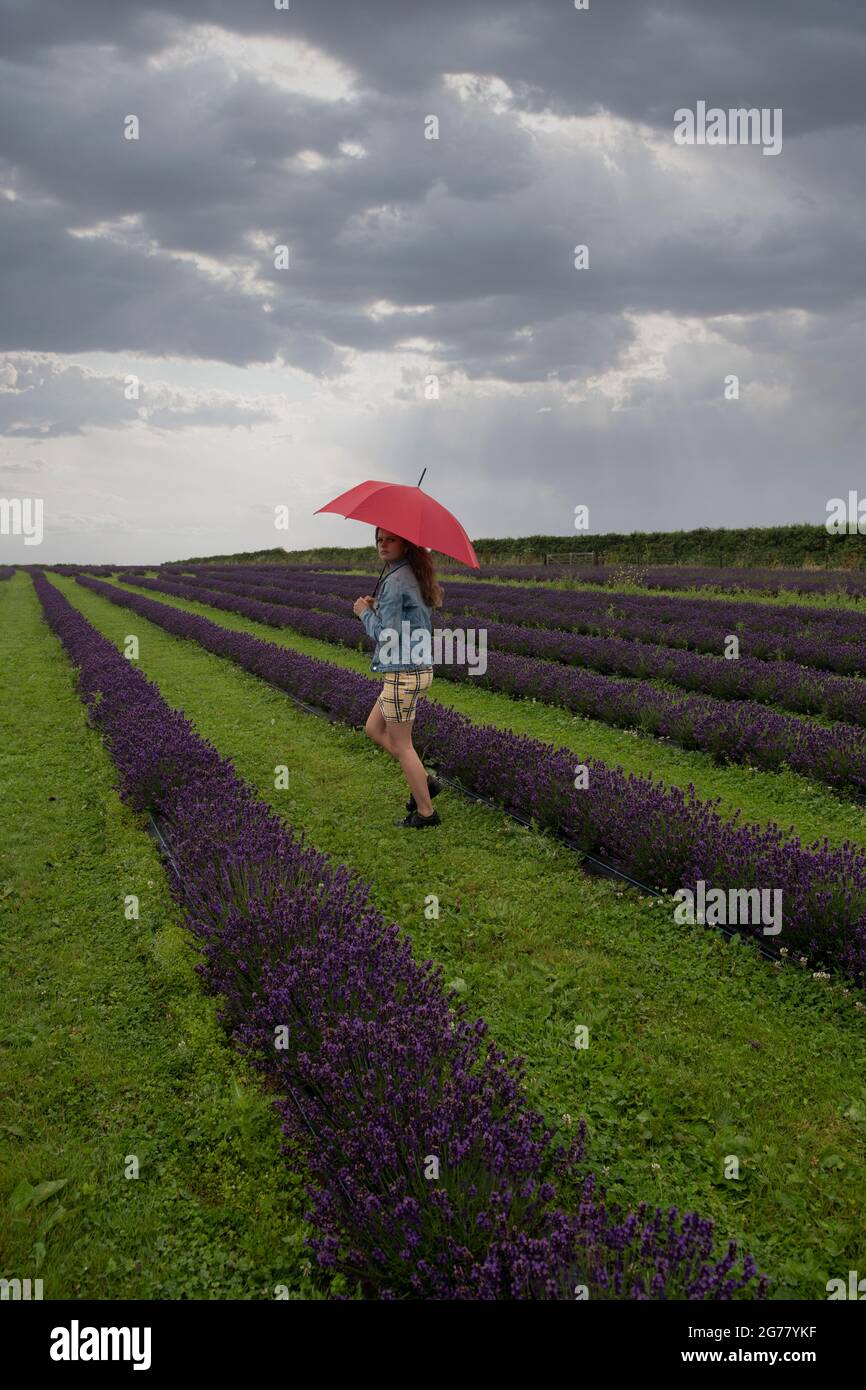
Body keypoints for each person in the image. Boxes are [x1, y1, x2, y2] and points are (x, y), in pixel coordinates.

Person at [353, 527, 444, 828]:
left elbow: (387, 636)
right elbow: (405, 623)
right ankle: (424, 782)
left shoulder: (395, 581)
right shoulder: (414, 575)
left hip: (402, 672)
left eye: (391, 539)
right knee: (373, 727)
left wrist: (364, 613)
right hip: (417, 669)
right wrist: (377, 607)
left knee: (403, 746)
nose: (383, 544)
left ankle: (426, 813)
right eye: (380, 540)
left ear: (405, 544)